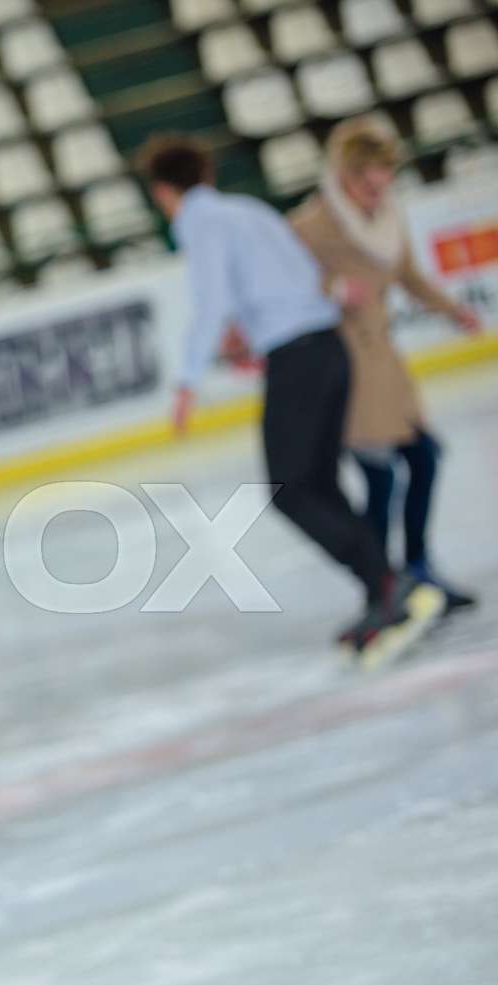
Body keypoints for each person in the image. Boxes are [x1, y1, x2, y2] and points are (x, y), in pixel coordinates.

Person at [135, 133, 444, 665]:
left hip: (298, 358)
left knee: (291, 490)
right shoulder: (249, 210)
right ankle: (382, 588)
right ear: (205, 174)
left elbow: (212, 298)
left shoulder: (198, 221)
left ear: (164, 193)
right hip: (328, 348)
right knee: (317, 483)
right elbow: (301, 276)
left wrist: (188, 380)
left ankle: (385, 585)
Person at [287, 116, 480, 613]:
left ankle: (415, 566)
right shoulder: (313, 225)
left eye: (382, 178)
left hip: (386, 367)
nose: (376, 189)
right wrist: (330, 290)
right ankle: (382, 584)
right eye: (366, 180)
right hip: (346, 368)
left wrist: (452, 309)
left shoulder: (388, 217)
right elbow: (286, 283)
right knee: (382, 477)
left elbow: (408, 274)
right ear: (346, 175)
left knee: (424, 459)